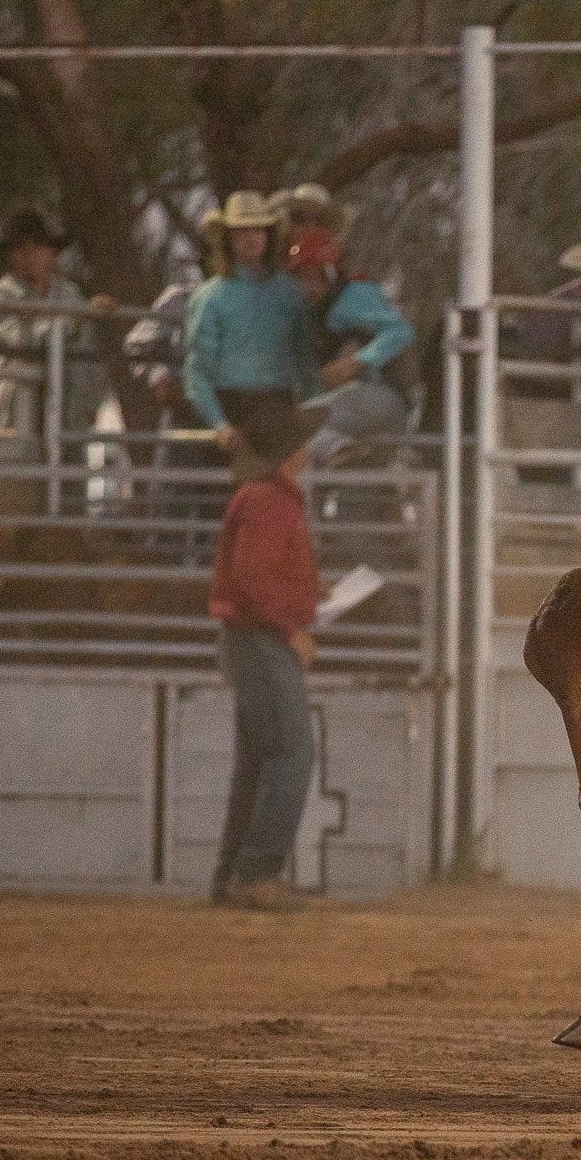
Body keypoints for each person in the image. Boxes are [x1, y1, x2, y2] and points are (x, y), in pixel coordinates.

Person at [207, 398, 326, 912]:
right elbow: (256, 582)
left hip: (251, 636)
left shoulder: (262, 497)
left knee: (260, 757)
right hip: (260, 637)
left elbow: (257, 576)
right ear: (289, 452)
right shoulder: (269, 501)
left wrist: (307, 600)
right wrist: (292, 627)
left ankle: (236, 873)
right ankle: (255, 871)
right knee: (293, 752)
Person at [182, 191, 314, 455]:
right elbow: (197, 370)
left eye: (259, 230)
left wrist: (309, 408)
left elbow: (304, 356)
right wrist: (220, 425)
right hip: (231, 405)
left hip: (280, 403)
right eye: (242, 232)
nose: (252, 238)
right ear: (228, 240)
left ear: (269, 236)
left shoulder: (289, 292)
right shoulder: (210, 297)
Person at [284, 224, 415, 465]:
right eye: (300, 278)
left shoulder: (353, 293)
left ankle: (340, 451)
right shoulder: (313, 312)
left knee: (296, 424)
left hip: (384, 397)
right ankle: (351, 460)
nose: (306, 286)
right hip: (356, 410)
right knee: (353, 495)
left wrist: (358, 361)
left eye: (311, 276)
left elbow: (401, 331)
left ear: (329, 272)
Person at [0, 209, 112, 436]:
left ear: (52, 251)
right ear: (9, 255)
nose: (28, 253)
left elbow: (90, 355)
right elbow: (20, 343)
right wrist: (74, 321)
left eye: (38, 244)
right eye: (18, 246)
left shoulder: (70, 295)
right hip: (19, 416)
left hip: (71, 415)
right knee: (21, 469)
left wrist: (93, 403)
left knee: (70, 468)